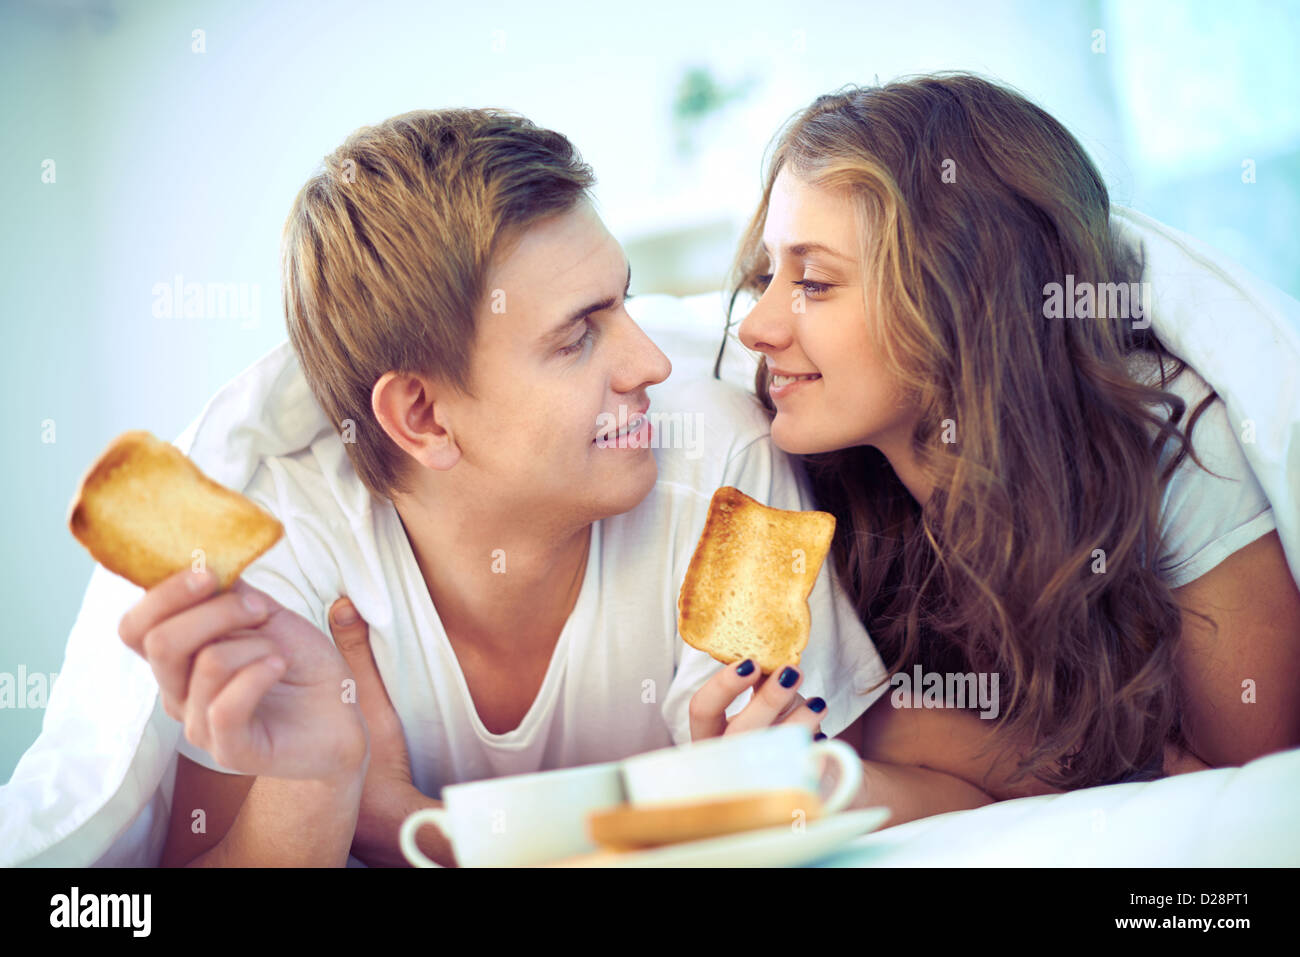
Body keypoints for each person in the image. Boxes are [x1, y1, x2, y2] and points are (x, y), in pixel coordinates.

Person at [114, 108, 997, 868]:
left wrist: (404, 828)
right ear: (421, 415)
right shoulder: (289, 548)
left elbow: (808, 803)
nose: (650, 361)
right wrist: (318, 785)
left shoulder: (724, 471)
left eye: (624, 302)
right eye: (578, 336)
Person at [704, 73, 1300, 799]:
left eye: (816, 282)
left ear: (964, 298)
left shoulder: (1172, 444)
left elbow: (1251, 791)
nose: (756, 327)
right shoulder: (805, 474)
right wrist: (850, 749)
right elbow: (872, 753)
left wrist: (900, 722)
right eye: (767, 273)